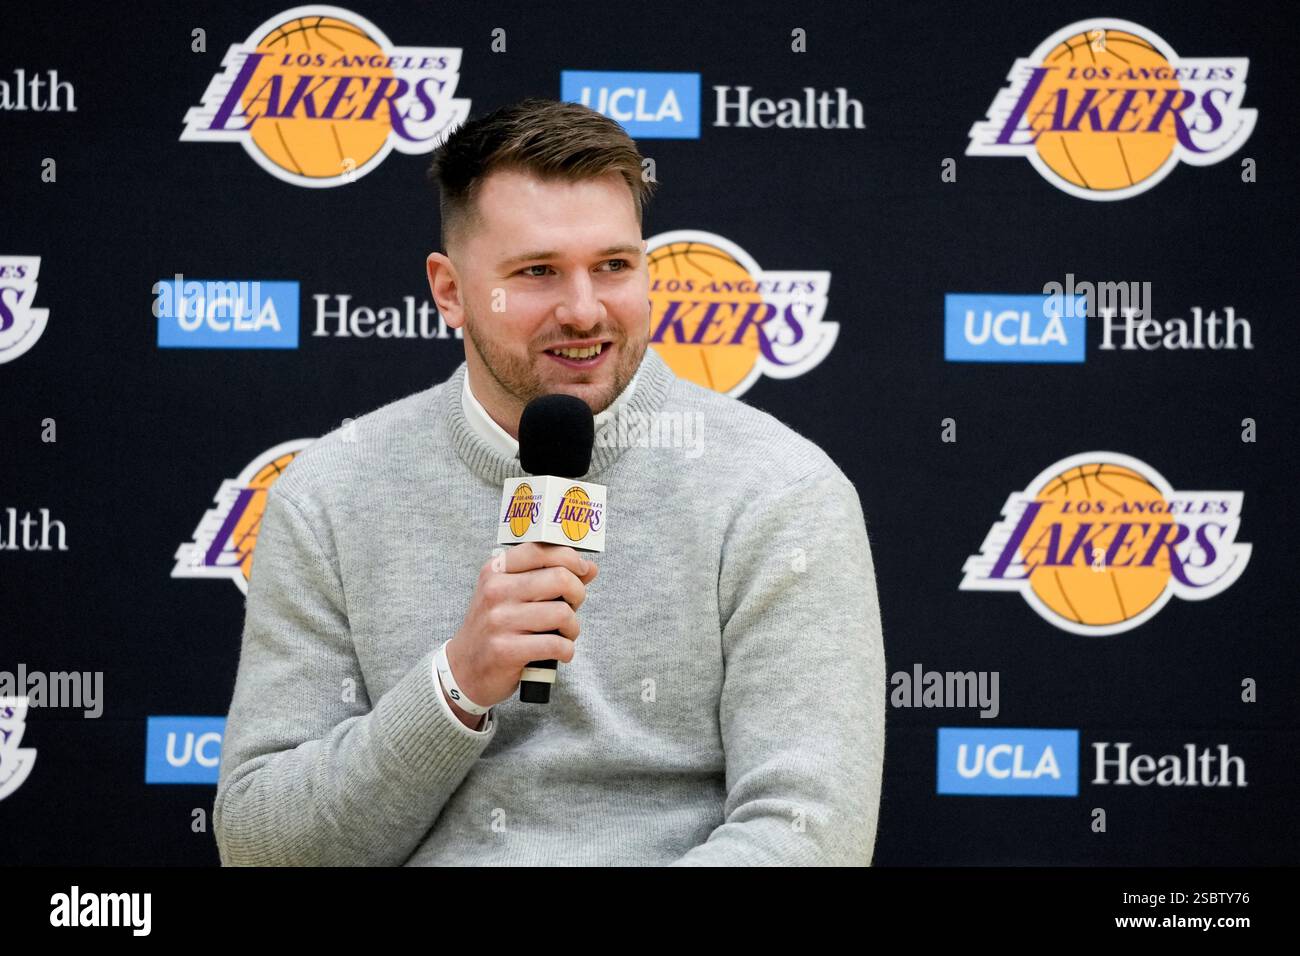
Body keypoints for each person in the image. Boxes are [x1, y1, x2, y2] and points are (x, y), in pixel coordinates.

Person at [214, 97, 885, 866]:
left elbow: (808, 838)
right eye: (537, 272)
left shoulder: (781, 493)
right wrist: (454, 686)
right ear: (449, 291)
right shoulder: (330, 494)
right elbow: (261, 844)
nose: (583, 309)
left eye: (613, 267)